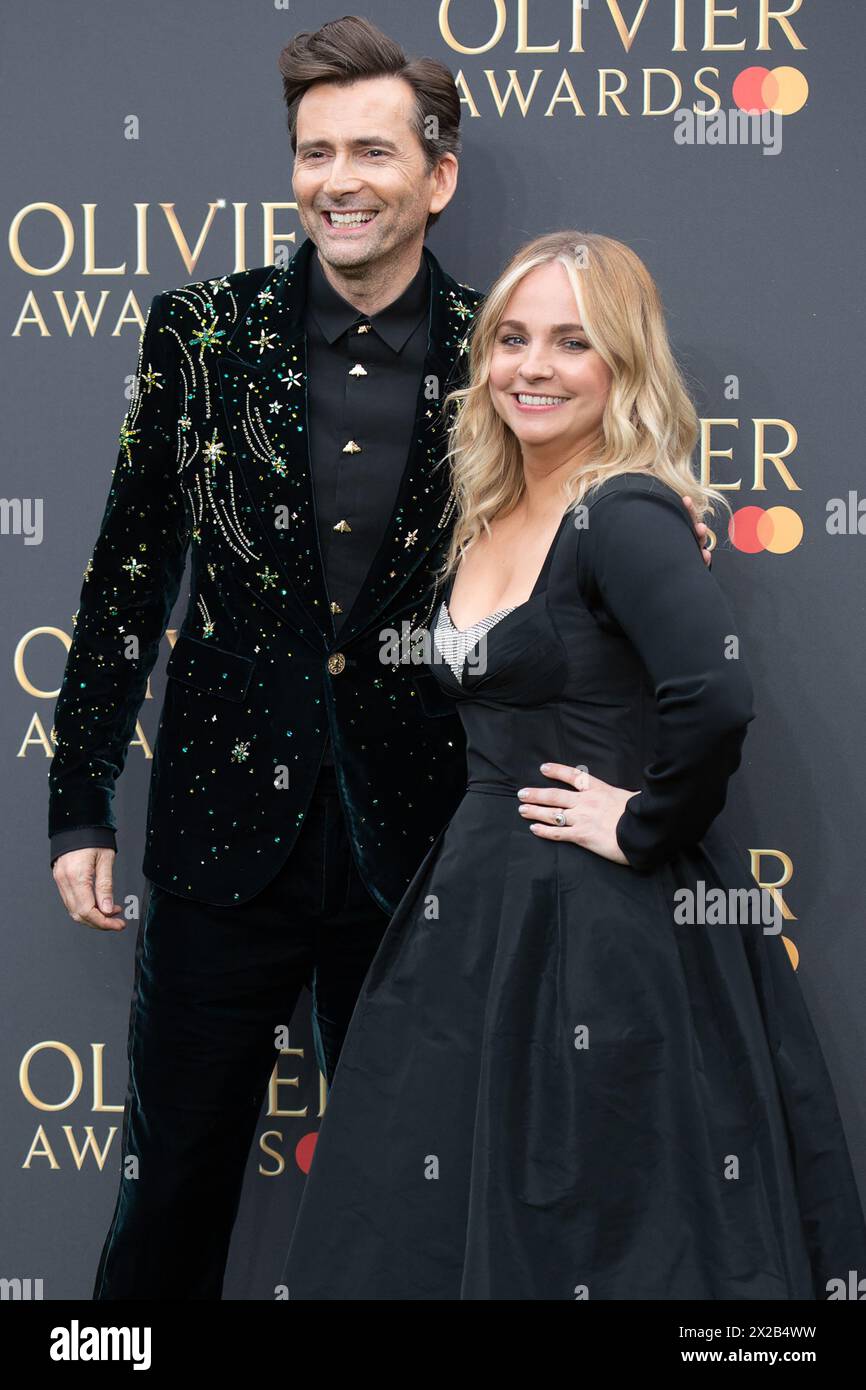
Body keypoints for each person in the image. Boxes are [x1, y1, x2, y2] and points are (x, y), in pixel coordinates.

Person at [47, 18, 707, 1300]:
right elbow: (129, 568)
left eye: (369, 150)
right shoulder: (198, 330)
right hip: (218, 834)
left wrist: (658, 502)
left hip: (423, 850)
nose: (336, 179)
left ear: (435, 177)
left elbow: (582, 492)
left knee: (415, 1190)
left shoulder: (496, 350)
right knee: (170, 1177)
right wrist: (77, 798)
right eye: (311, 153)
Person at [281, 229, 866, 1300]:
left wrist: (642, 822)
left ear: (622, 366)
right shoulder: (488, 513)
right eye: (510, 338)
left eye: (571, 342)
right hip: (473, 915)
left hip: (602, 927)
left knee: (604, 1221)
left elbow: (713, 694)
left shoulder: (624, 510)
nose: (532, 367)